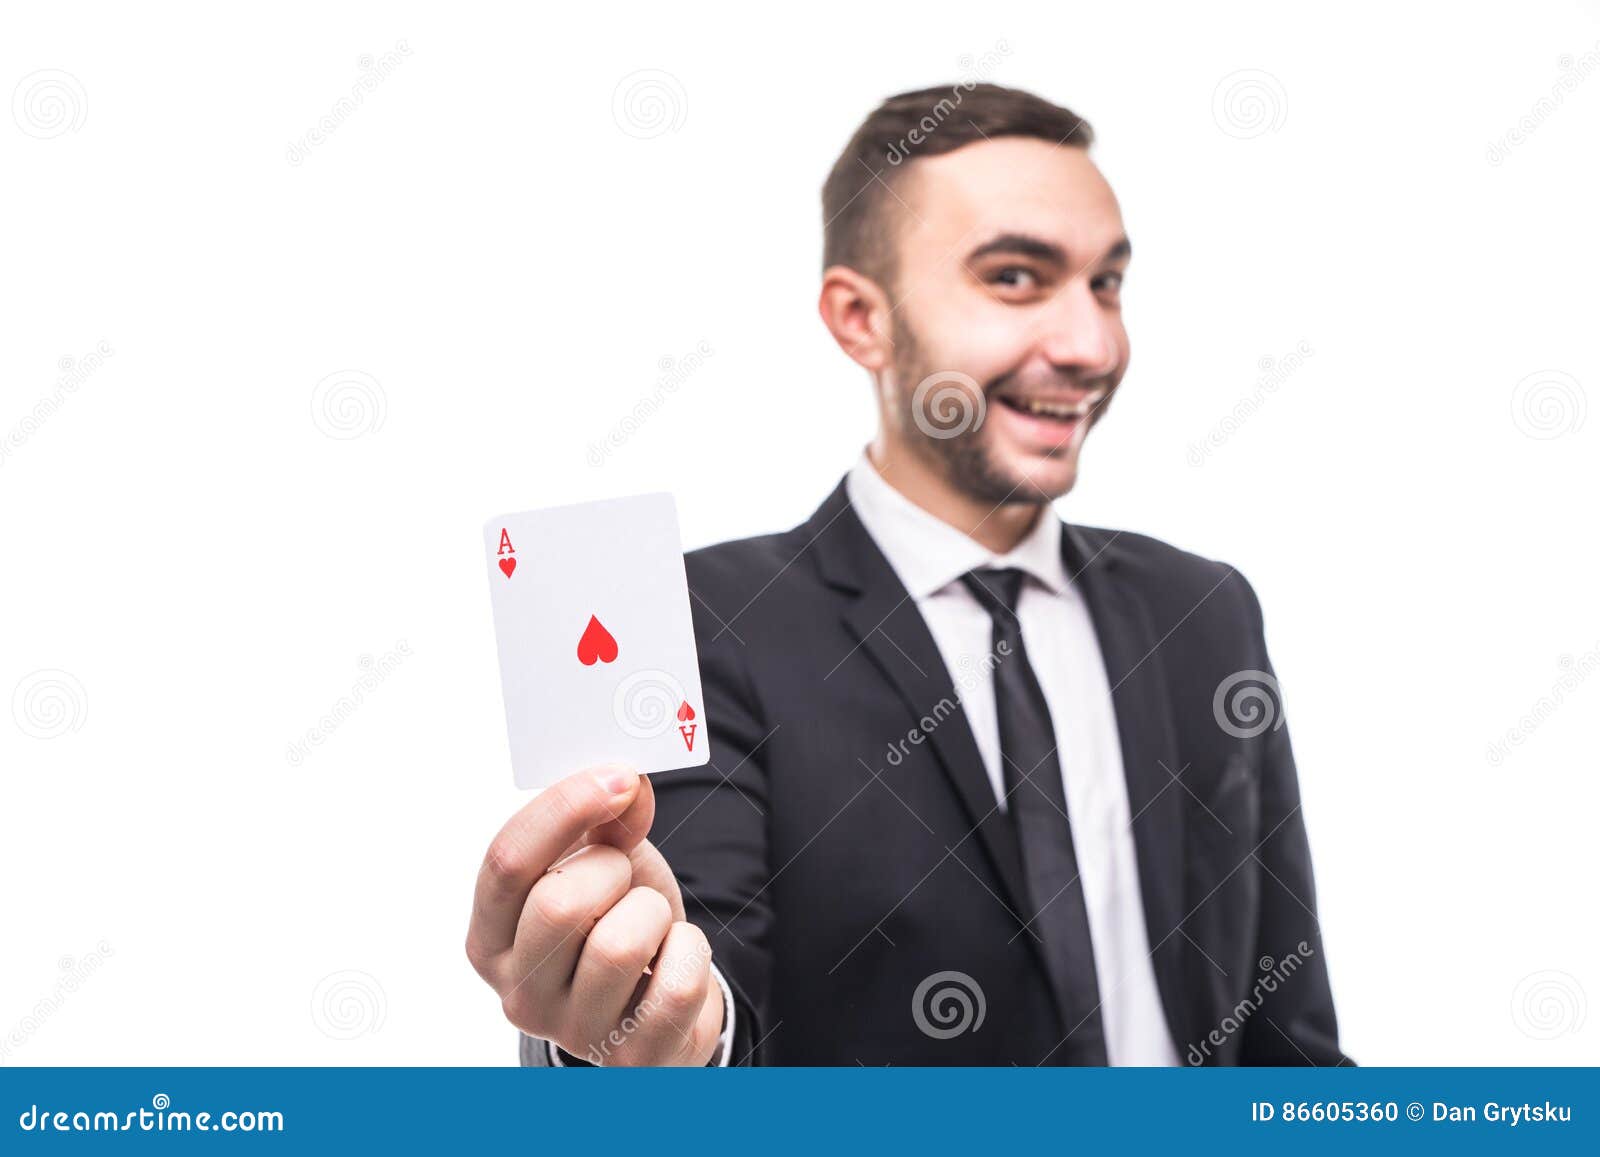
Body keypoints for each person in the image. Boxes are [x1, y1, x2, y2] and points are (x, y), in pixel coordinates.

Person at [465, 82, 1350, 1067]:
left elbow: (1290, 1038)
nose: (1092, 346)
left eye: (1106, 283)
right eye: (1015, 278)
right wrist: (639, 1031)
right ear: (859, 320)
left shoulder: (1202, 612)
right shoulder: (710, 623)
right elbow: (706, 1010)